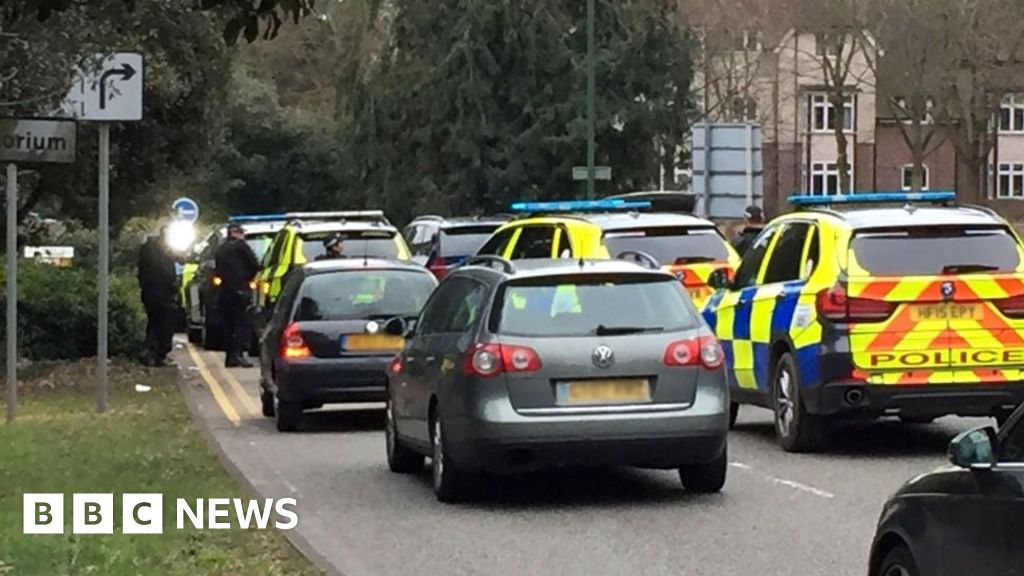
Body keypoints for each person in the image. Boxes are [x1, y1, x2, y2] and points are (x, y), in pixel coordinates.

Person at [215, 223, 260, 367]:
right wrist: (247, 278)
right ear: (237, 233)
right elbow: (254, 264)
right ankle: (238, 354)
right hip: (241, 289)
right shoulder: (241, 246)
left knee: (228, 324)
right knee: (242, 323)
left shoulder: (221, 249)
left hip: (225, 291)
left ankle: (230, 357)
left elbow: (218, 270)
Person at [137, 226, 178, 367]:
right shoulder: (158, 252)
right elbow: (165, 272)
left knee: (154, 323)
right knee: (164, 325)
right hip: (161, 293)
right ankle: (155, 353)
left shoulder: (150, 249)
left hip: (150, 293)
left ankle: (151, 353)